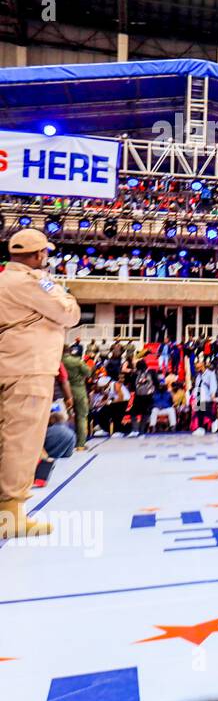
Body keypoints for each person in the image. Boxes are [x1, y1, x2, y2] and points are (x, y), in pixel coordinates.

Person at [0, 229, 81, 538]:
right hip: (29, 368)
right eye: (44, 254)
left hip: (7, 364)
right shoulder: (34, 281)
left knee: (4, 440)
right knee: (22, 440)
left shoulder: (3, 279)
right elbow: (68, 313)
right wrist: (64, 294)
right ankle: (11, 514)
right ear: (38, 256)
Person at [61, 345, 90, 450]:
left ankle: (65, 444)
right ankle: (80, 444)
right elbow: (88, 372)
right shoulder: (77, 361)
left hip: (62, 391)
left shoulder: (58, 362)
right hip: (78, 390)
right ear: (70, 351)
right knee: (81, 417)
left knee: (62, 417)